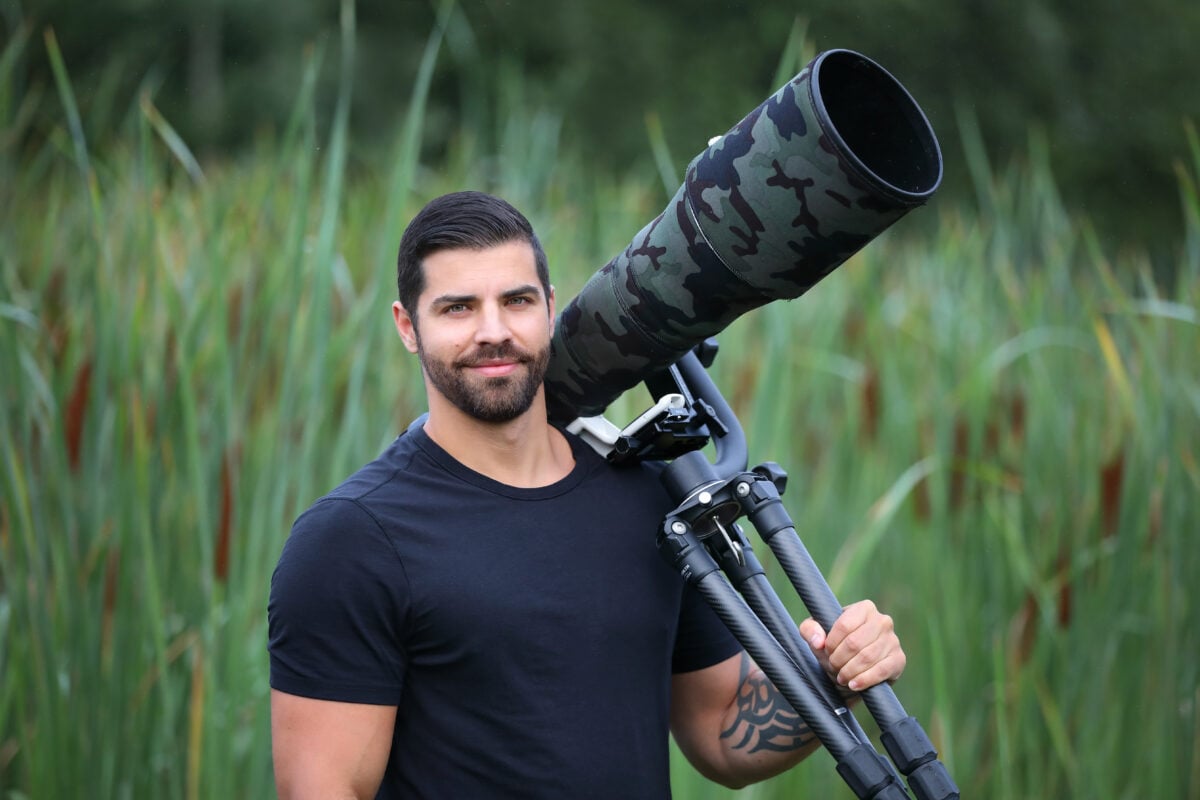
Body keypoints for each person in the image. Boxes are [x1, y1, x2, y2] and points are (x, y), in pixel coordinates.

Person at [267, 190, 906, 799]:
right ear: (408, 326)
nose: (493, 331)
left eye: (516, 301)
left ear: (549, 307)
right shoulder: (354, 540)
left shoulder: (651, 505)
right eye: (457, 308)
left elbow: (723, 735)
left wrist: (835, 674)